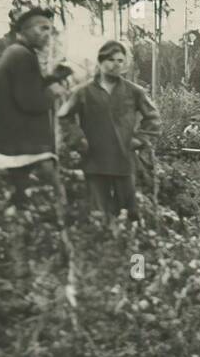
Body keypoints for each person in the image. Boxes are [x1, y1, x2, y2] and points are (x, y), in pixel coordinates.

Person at [0, 7, 72, 213]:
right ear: (24, 30)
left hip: (13, 138)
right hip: (21, 140)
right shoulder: (21, 55)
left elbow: (28, 87)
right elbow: (30, 101)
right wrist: (54, 92)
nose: (47, 34)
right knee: (50, 180)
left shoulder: (18, 53)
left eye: (50, 29)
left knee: (20, 190)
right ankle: (61, 220)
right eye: (42, 28)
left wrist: (52, 78)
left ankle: (25, 223)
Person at [64, 40, 161, 225]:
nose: (115, 65)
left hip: (124, 161)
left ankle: (128, 247)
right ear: (100, 62)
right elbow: (64, 118)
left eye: (120, 60)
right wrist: (78, 139)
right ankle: (103, 248)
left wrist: (139, 139)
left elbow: (153, 119)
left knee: (129, 212)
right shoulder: (83, 92)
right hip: (94, 160)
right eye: (110, 60)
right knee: (98, 214)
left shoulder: (134, 92)